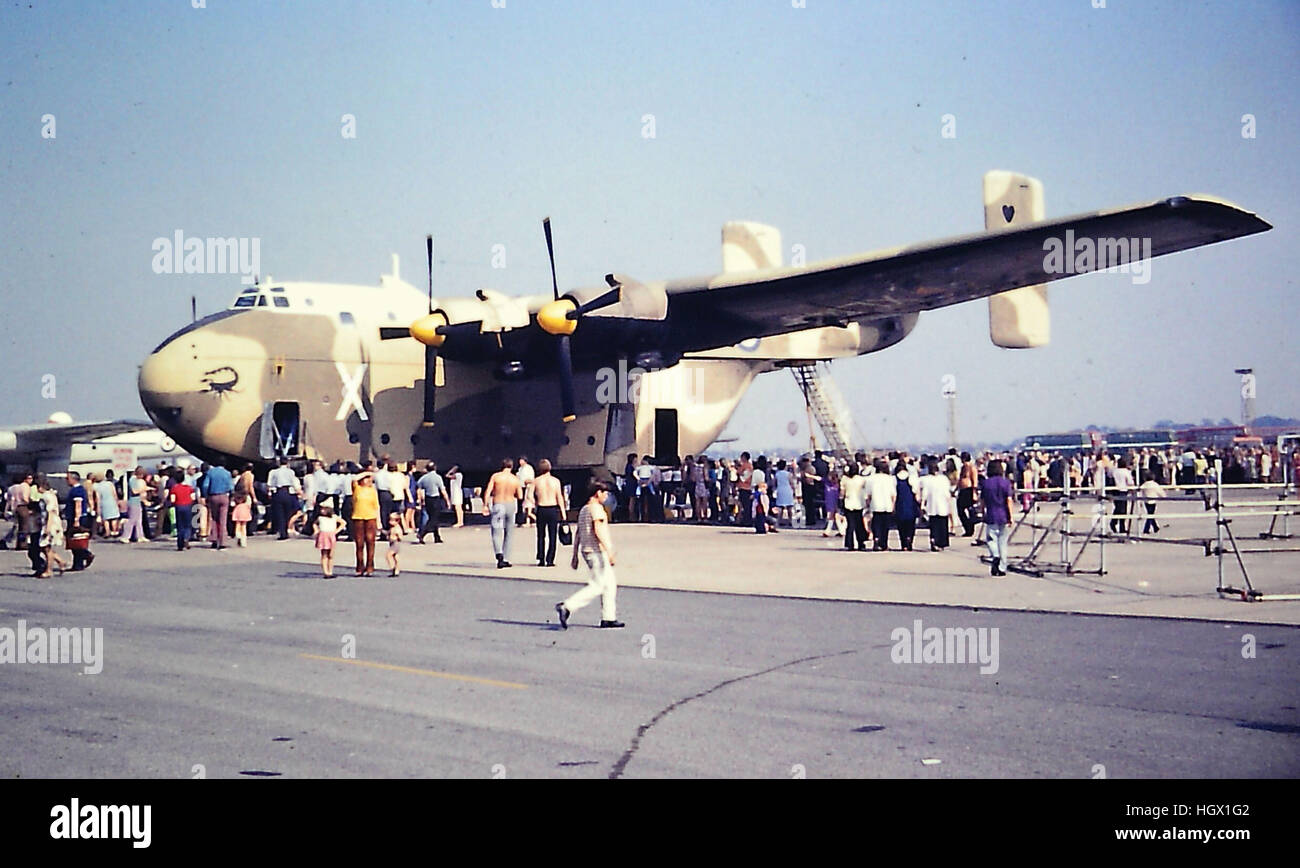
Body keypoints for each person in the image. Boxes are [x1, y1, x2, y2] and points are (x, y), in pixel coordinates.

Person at [555, 480, 624, 629]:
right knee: (598, 585)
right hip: (597, 551)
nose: (606, 496)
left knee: (609, 584)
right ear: (597, 493)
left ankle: (609, 617)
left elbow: (579, 533)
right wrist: (609, 551)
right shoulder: (596, 509)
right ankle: (567, 606)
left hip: (587, 550)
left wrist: (575, 555)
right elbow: (598, 530)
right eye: (605, 493)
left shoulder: (584, 509)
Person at [979, 459, 1015, 577]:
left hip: (991, 514)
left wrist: (982, 512)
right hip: (1003, 514)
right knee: (1003, 542)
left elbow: (982, 501)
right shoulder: (1006, 483)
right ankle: (1002, 567)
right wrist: (1011, 516)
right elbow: (1009, 500)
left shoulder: (986, 483)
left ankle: (995, 556)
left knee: (991, 539)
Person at [484, 458, 522, 568]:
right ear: (511, 466)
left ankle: (499, 554)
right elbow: (520, 495)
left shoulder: (496, 477)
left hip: (498, 504)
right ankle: (506, 558)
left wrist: (485, 504)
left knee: (496, 531)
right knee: (509, 532)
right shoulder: (515, 479)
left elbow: (488, 491)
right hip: (510, 504)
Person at [533, 459, 566, 567]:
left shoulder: (536, 481)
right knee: (552, 535)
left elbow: (528, 496)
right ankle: (550, 559)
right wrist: (563, 513)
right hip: (552, 508)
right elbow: (559, 497)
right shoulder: (555, 481)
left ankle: (541, 559)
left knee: (541, 535)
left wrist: (534, 505)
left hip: (541, 508)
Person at [920, 459, 956, 551]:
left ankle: (934, 539)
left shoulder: (926, 479)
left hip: (932, 505)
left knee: (934, 525)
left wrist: (922, 504)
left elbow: (925, 493)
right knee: (943, 525)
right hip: (943, 504)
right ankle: (941, 542)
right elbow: (947, 493)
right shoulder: (943, 479)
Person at [35, 477, 67, 578]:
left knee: (46, 546)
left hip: (50, 522)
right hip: (54, 522)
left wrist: (47, 527)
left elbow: (50, 512)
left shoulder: (46, 496)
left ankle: (49, 570)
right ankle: (60, 561)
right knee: (45, 547)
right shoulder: (52, 495)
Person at [350, 470, 380, 577]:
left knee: (370, 542)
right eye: (367, 479)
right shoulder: (357, 489)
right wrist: (366, 472)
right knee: (359, 543)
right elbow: (353, 478)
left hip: (370, 517)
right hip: (358, 517)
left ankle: (370, 566)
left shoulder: (372, 491)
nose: (369, 480)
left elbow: (377, 506)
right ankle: (359, 567)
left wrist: (379, 522)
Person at [200, 461, 234, 549]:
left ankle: (214, 539)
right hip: (224, 495)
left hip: (213, 496)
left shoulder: (210, 472)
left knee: (214, 518)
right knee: (223, 520)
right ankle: (222, 542)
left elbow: (205, 485)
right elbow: (231, 487)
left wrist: (206, 495)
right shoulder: (227, 473)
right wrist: (231, 495)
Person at [867, 459, 897, 551]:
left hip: (875, 504)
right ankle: (883, 543)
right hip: (887, 504)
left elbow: (868, 494)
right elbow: (893, 494)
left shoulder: (871, 478)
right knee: (885, 525)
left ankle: (876, 539)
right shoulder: (890, 479)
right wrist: (893, 505)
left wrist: (869, 503)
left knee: (876, 524)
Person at [415, 461, 447, 544]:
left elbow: (419, 487)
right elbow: (442, 490)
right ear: (435, 468)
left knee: (433, 517)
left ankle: (437, 537)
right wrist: (447, 500)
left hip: (427, 499)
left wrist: (420, 499)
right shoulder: (437, 477)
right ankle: (422, 534)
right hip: (435, 498)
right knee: (433, 519)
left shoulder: (424, 478)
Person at [165, 469, 196, 551]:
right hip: (188, 506)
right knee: (188, 525)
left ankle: (180, 544)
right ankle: (186, 538)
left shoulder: (174, 488)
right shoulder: (189, 488)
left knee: (180, 526)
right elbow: (193, 498)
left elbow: (172, 500)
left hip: (178, 507)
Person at [893, 463, 920, 551]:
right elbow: (915, 492)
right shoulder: (911, 478)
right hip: (910, 503)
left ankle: (903, 543)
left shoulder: (894, 479)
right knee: (911, 524)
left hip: (899, 503)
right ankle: (909, 539)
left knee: (901, 525)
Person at [841, 464, 868, 551]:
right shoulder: (861, 480)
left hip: (848, 503)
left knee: (850, 525)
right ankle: (861, 543)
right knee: (859, 524)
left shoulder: (845, 480)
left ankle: (850, 544)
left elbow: (842, 493)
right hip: (859, 503)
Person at [313, 504, 341, 578]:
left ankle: (330, 571)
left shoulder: (334, 517)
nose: (321, 510)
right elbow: (314, 524)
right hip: (323, 535)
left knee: (331, 555)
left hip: (331, 535)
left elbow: (343, 523)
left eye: (323, 509)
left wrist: (336, 531)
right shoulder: (320, 518)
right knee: (324, 554)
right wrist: (316, 530)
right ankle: (326, 572)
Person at [956, 452, 977, 537]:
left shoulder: (971, 467)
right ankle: (967, 527)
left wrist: (974, 493)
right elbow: (960, 479)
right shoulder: (963, 467)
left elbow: (974, 480)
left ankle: (970, 529)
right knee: (960, 510)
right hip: (962, 490)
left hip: (969, 490)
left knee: (969, 510)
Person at [1139, 471, 1165, 535]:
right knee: (1150, 515)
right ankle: (1146, 529)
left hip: (1146, 501)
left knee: (1150, 514)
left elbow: (1140, 490)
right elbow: (1160, 491)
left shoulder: (1144, 484)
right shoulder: (1155, 484)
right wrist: (1163, 496)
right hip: (1153, 501)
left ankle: (1155, 527)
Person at [516, 456, 536, 527]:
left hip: (528, 487)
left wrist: (527, 481)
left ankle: (536, 520)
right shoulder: (520, 469)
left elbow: (531, 479)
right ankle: (526, 522)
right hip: (521, 487)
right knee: (525, 507)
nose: (520, 462)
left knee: (529, 505)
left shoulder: (529, 468)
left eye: (521, 460)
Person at [385, 512, 404, 577]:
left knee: (388, 555)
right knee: (395, 557)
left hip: (395, 543)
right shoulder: (392, 528)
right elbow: (388, 533)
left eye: (392, 520)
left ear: (397, 521)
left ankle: (392, 567)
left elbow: (400, 537)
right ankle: (396, 570)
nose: (390, 522)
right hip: (392, 543)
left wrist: (397, 537)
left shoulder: (397, 528)